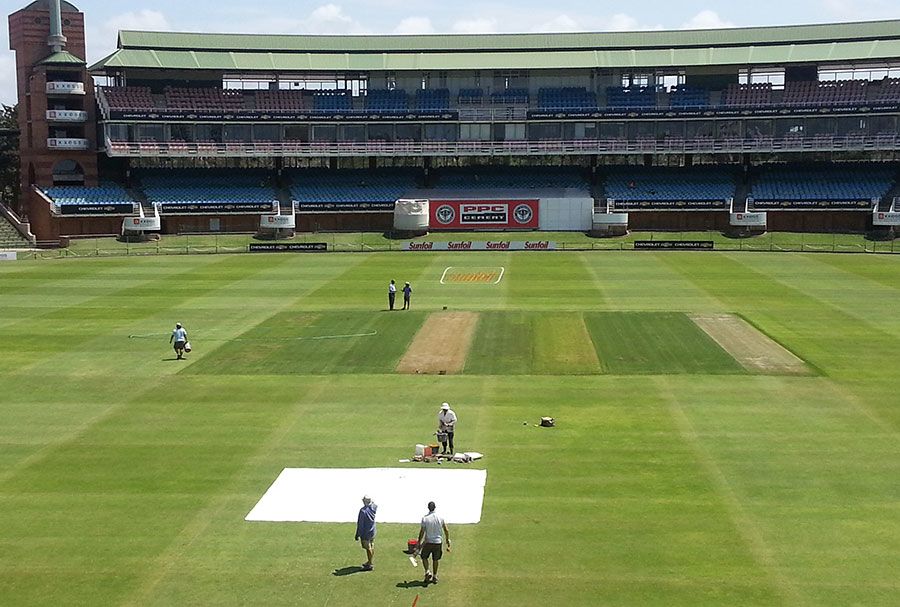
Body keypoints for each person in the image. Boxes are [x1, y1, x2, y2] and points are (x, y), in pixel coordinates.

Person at [416, 501, 450, 584]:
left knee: (424, 557)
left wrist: (419, 542)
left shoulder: (425, 519)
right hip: (438, 542)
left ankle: (427, 571)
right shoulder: (440, 518)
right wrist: (447, 540)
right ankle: (434, 576)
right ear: (435, 507)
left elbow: (422, 531)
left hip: (428, 542)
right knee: (436, 559)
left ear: (428, 508)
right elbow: (446, 530)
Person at [355, 495, 377, 571]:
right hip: (372, 531)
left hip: (365, 533)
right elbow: (374, 504)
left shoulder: (363, 511)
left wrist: (357, 534)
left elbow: (360, 524)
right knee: (371, 546)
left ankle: (370, 564)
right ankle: (369, 561)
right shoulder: (374, 507)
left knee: (368, 548)